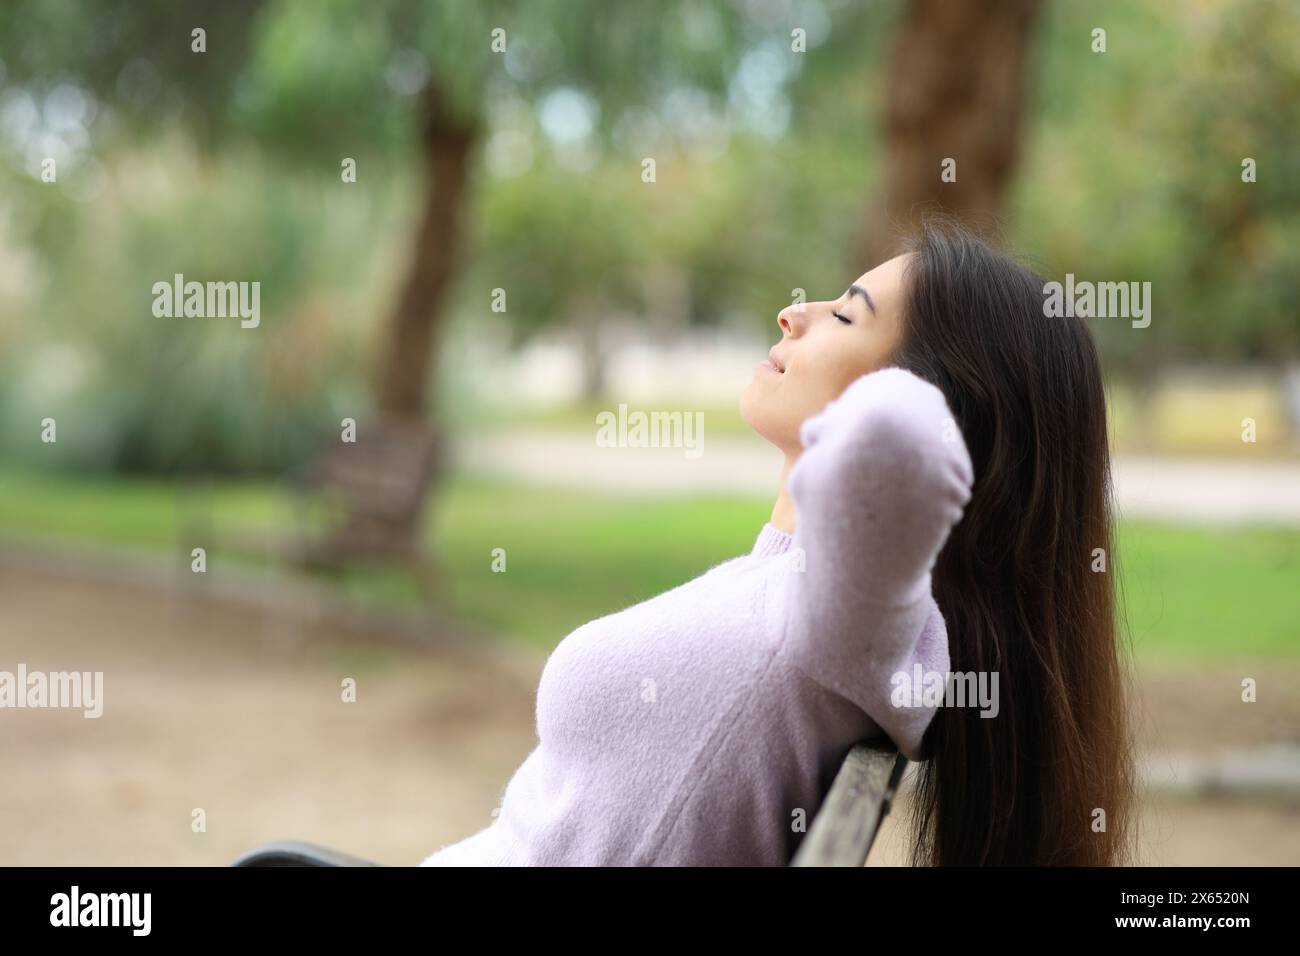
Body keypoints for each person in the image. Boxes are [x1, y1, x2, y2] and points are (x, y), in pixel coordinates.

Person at [421, 219, 1135, 866]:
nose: (793, 313)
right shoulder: (808, 602)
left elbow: (898, 438)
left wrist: (947, 399)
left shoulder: (847, 626)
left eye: (846, 314)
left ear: (937, 397)